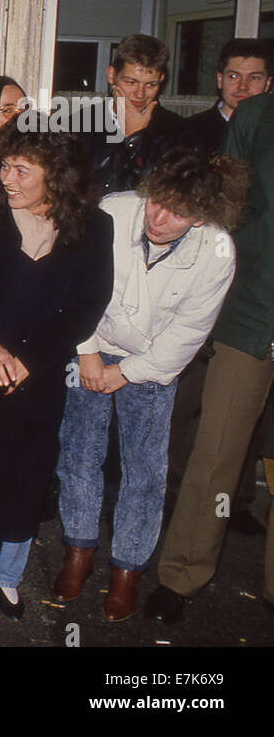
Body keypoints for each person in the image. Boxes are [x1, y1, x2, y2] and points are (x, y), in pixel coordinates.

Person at [55, 147, 244, 621]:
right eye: (157, 201)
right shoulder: (115, 210)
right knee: (78, 454)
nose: (158, 218)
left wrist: (126, 372)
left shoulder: (217, 251)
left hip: (153, 363)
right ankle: (77, 551)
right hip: (92, 342)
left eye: (178, 212)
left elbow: (189, 332)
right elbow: (74, 281)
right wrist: (89, 350)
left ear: (200, 218)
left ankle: (127, 571)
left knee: (144, 473)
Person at [0, 125, 113, 619]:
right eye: (2, 166)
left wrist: (31, 362)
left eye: (20, 170)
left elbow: (87, 305)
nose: (4, 178)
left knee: (26, 473)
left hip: (39, 374)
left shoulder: (93, 228)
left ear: (55, 178)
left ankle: (8, 574)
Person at [145, 85, 274, 624]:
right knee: (217, 453)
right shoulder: (257, 114)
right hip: (251, 315)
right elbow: (229, 207)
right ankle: (181, 574)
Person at [89, 34, 184, 196]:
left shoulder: (178, 129)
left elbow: (171, 190)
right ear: (111, 75)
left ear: (161, 79)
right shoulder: (79, 125)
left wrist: (136, 139)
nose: (140, 94)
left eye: (151, 85)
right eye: (131, 82)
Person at [177, 39, 271, 156]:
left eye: (254, 78)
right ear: (220, 80)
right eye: (233, 76)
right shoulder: (188, 132)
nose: (243, 86)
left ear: (267, 84)